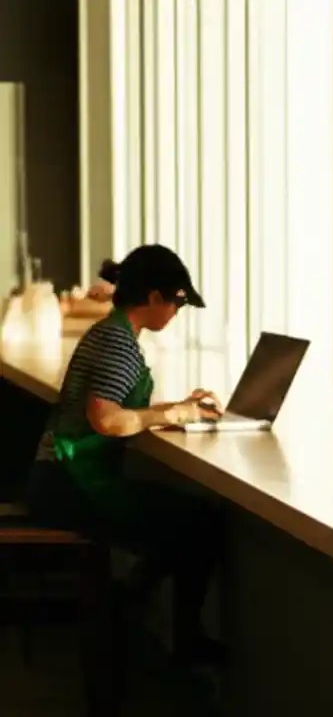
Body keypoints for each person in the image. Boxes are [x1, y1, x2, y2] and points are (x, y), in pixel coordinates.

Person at [26, 244, 227, 665]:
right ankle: (171, 633)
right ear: (154, 297)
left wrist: (169, 411)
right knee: (201, 524)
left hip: (58, 479)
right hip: (70, 483)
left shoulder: (110, 333)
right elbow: (108, 420)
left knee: (183, 527)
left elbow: (118, 410)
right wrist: (174, 413)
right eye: (177, 301)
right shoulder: (118, 343)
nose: (177, 312)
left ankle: (132, 602)